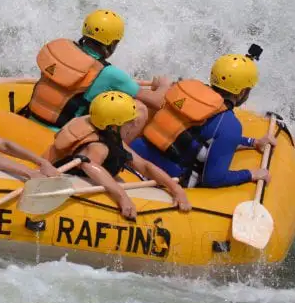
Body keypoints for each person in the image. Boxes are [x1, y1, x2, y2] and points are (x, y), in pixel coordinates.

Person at [129, 48, 277, 188]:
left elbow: (194, 135)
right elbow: (213, 179)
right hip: (161, 175)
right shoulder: (229, 124)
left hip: (132, 154)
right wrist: (251, 174)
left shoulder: (184, 90)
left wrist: (252, 142)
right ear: (242, 92)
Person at [20, 9, 168, 135]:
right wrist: (163, 85)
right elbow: (157, 102)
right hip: (60, 133)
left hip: (30, 117)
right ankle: (115, 156)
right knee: (139, 109)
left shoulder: (61, 48)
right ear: (112, 43)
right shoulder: (110, 74)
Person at [45, 91, 191, 219]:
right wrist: (122, 196)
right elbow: (88, 164)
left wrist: (175, 188)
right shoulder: (98, 146)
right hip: (59, 181)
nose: (134, 125)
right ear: (114, 125)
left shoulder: (108, 134)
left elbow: (145, 167)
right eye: (130, 122)